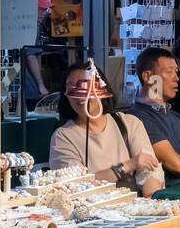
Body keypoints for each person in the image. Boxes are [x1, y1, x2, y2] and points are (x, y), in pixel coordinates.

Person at [50, 62, 163, 197]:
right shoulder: (63, 137)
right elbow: (74, 185)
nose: (80, 94)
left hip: (135, 207)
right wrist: (127, 166)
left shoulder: (129, 123)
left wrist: (150, 201)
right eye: (71, 88)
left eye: (86, 85)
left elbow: (150, 168)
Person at [125, 48, 180, 186]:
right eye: (169, 72)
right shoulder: (137, 117)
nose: (176, 78)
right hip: (174, 193)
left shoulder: (176, 117)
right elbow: (176, 165)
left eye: (176, 72)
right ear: (148, 77)